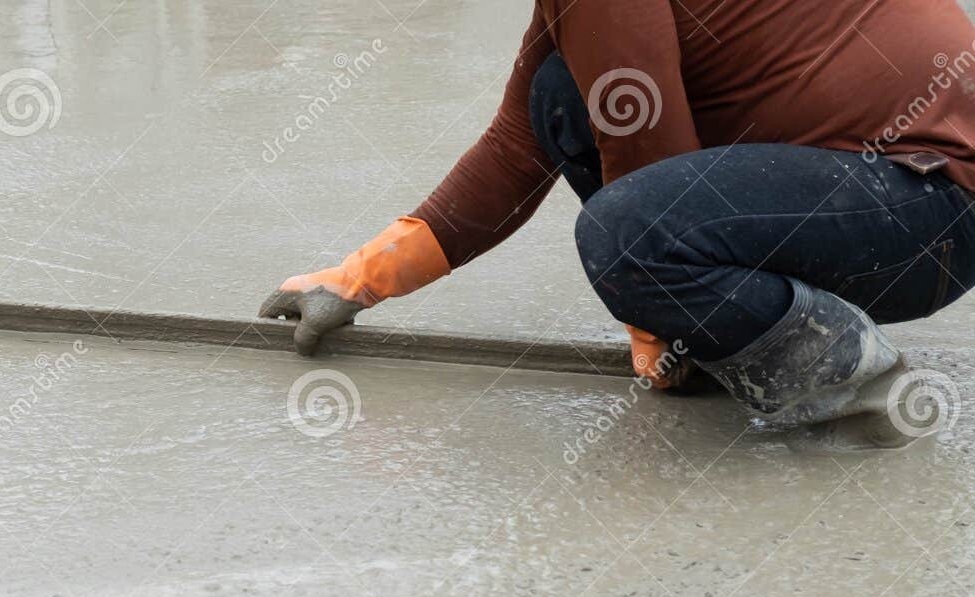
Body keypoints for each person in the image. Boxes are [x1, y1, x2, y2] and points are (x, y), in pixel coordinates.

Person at [261, 0, 975, 447]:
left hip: (919, 206)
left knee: (626, 235)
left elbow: (648, 157)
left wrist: (661, 327)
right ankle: (751, 327)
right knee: (562, 94)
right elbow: (519, 142)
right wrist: (362, 278)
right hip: (886, 198)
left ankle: (847, 373)